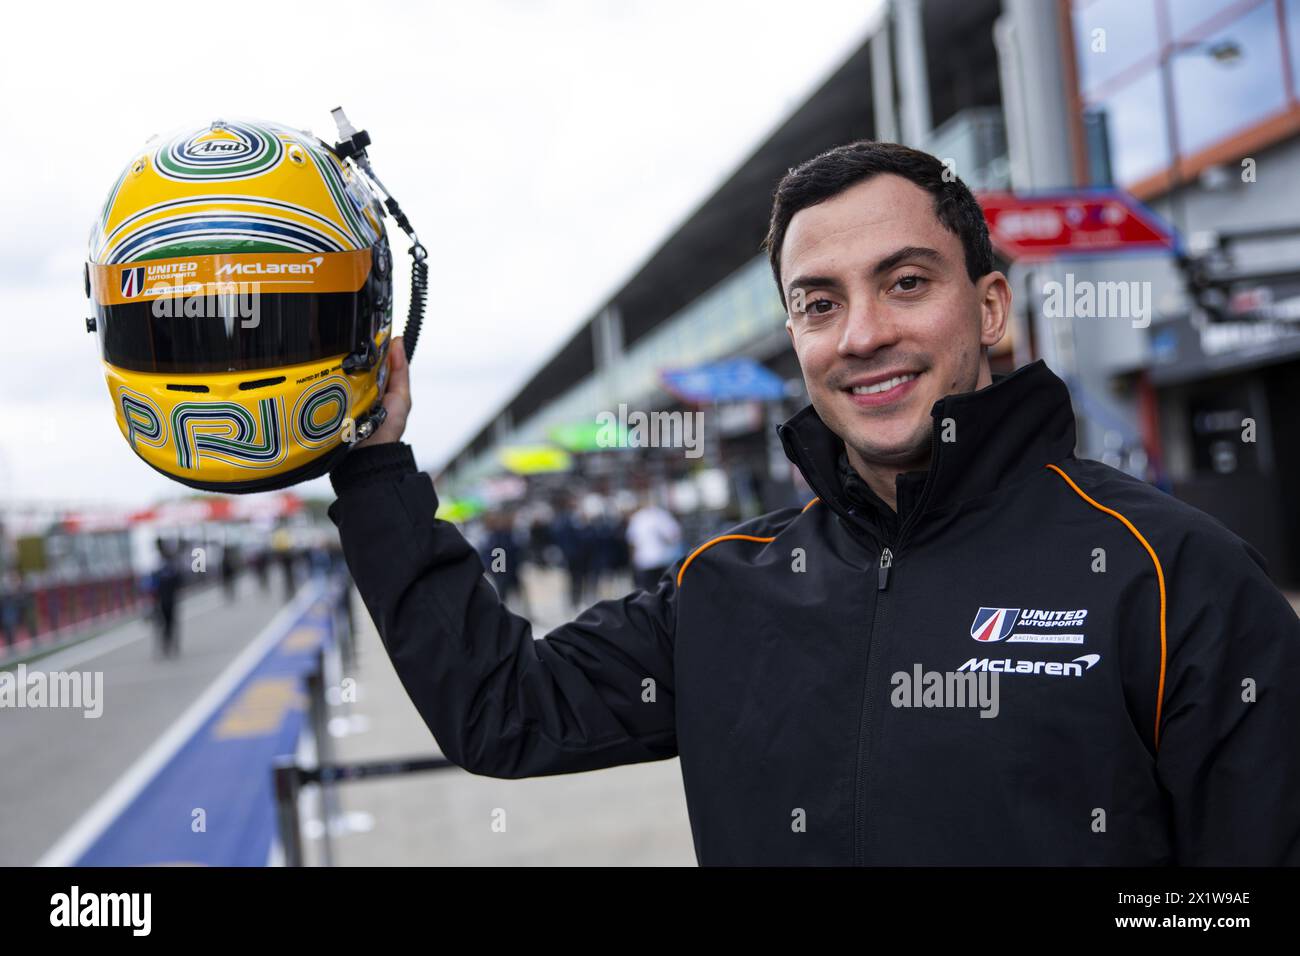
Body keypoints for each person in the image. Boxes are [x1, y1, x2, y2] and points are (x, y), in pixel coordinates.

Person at [327, 141, 1300, 865]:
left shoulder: (1172, 573)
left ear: (990, 306)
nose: (863, 333)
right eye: (819, 302)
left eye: (905, 282)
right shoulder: (723, 587)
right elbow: (504, 710)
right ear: (794, 333)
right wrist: (377, 467)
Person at [625, 494, 682, 592]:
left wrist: (632, 561)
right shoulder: (661, 515)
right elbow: (674, 535)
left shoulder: (638, 518)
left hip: (645, 562)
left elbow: (632, 542)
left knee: (648, 592)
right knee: (664, 591)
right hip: (662, 559)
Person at [152, 539, 182, 659]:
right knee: (168, 623)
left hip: (166, 600)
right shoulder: (165, 566)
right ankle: (169, 643)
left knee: (168, 623)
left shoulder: (163, 566)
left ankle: (169, 643)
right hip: (165, 600)